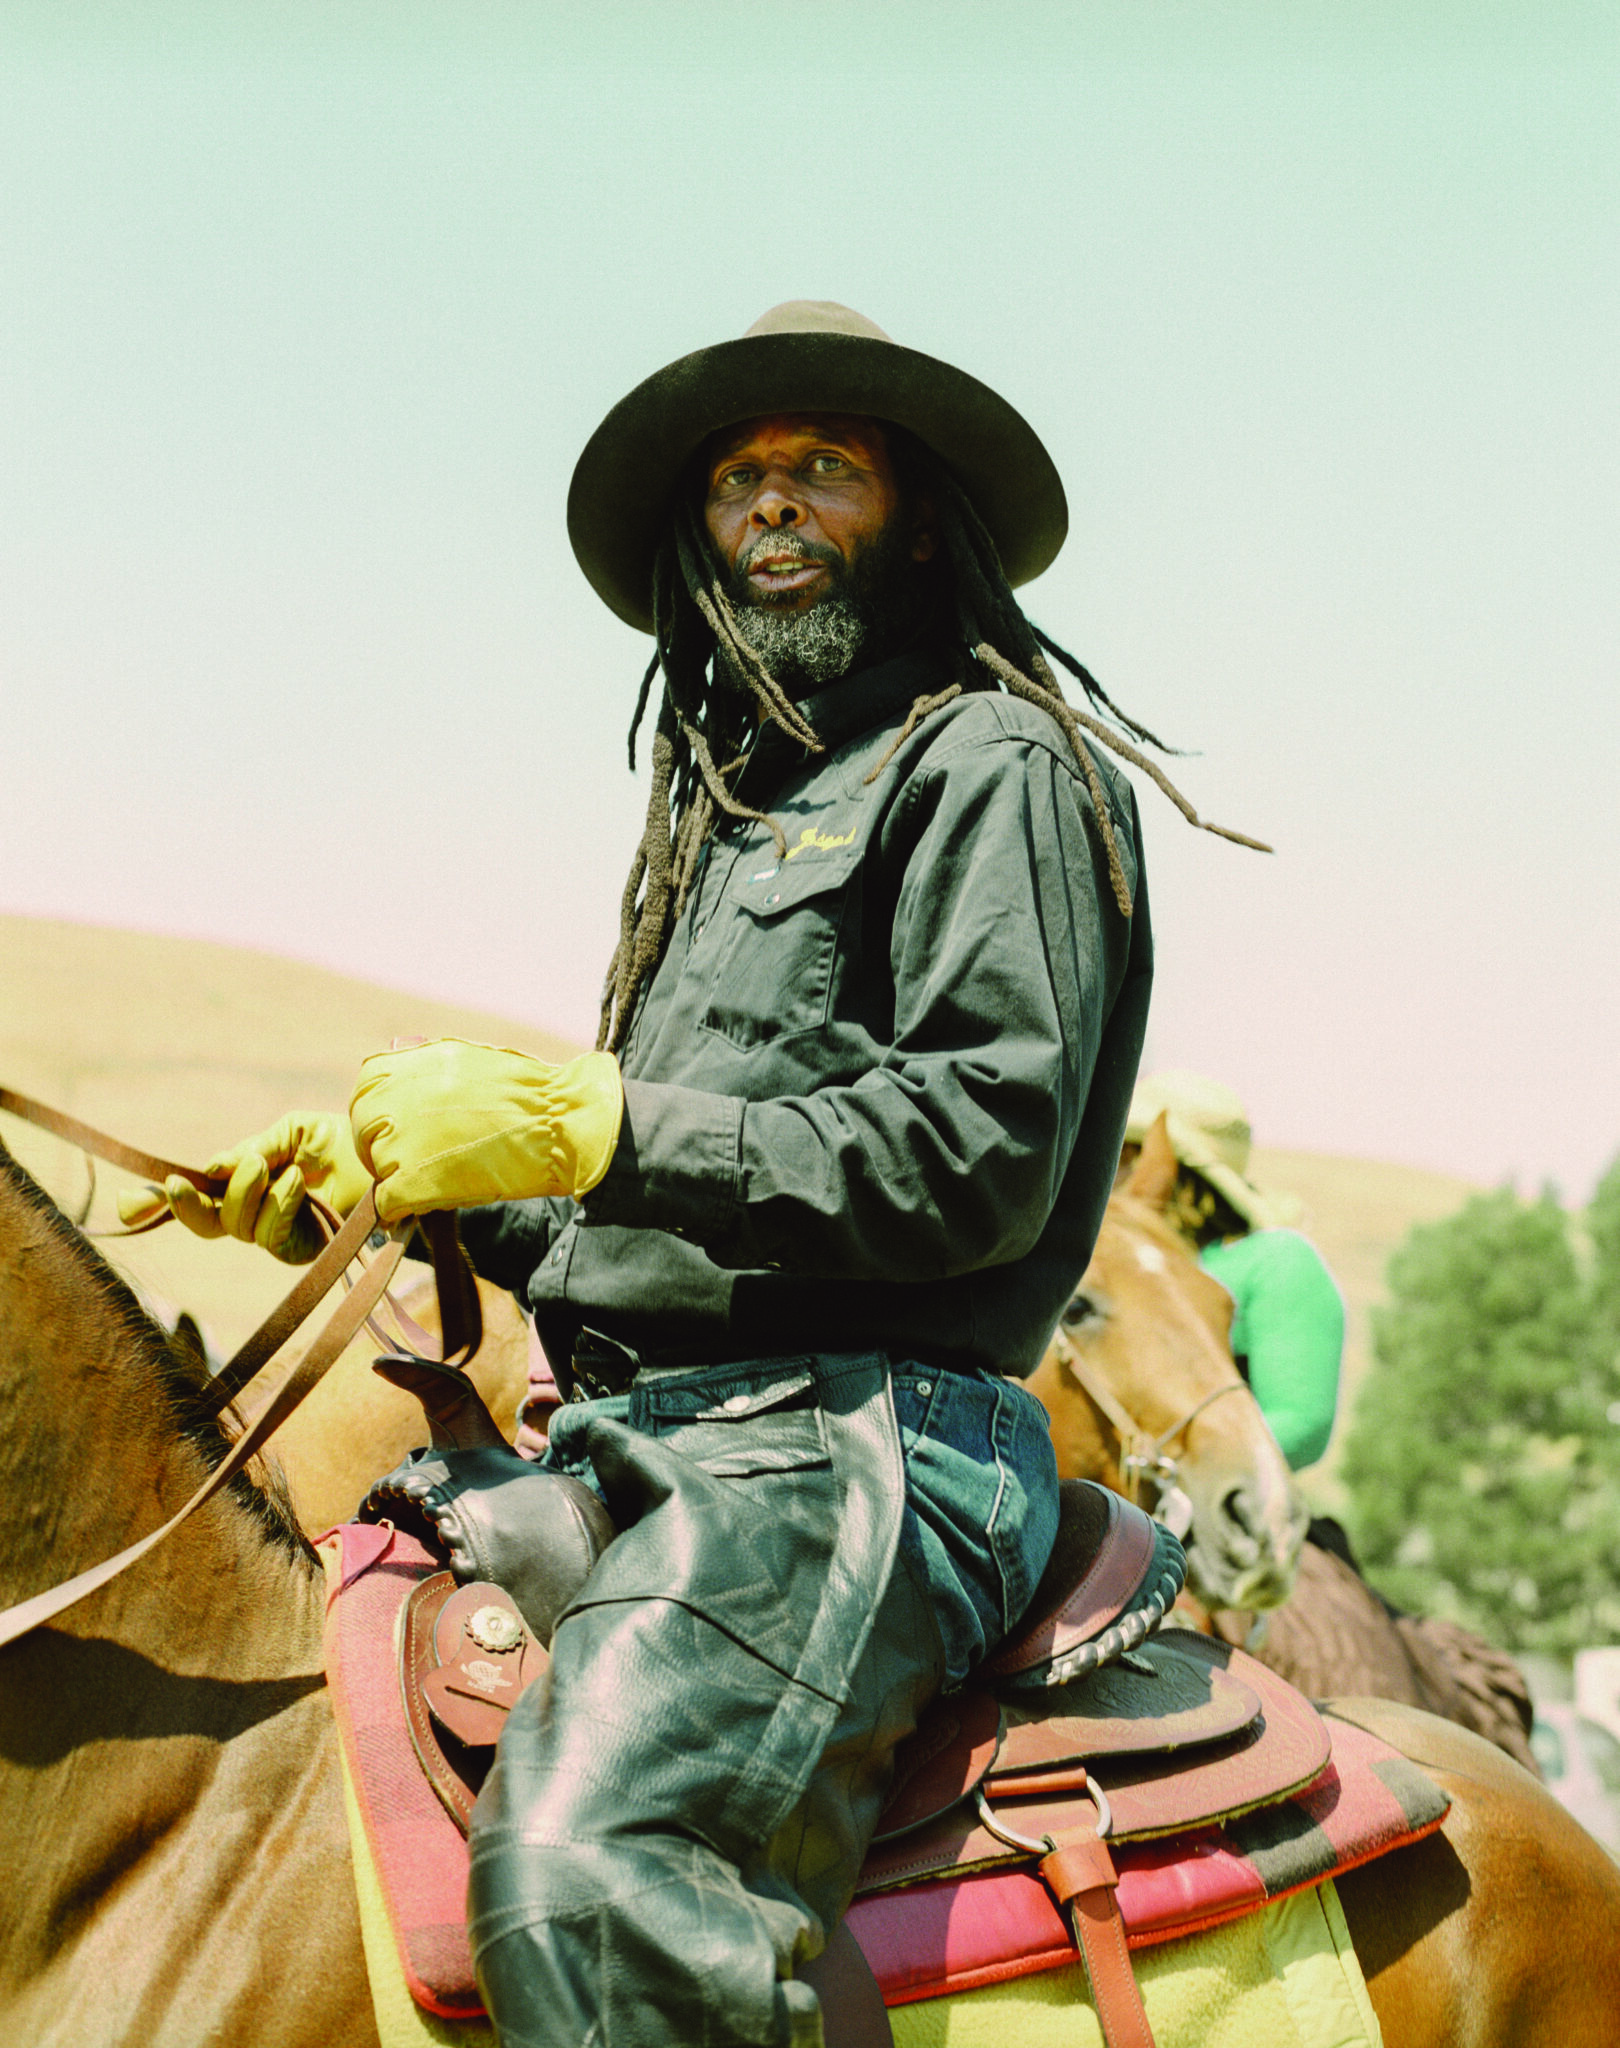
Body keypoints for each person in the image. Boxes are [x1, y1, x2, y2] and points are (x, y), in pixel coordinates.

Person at [128, 302, 1253, 2046]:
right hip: (651, 1433)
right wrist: (397, 1191)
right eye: (741, 477)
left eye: (824, 465)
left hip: (871, 1446)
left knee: (595, 1871)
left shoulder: (995, 764)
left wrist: (603, 1119)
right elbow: (658, 1226)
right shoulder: (727, 823)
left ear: (923, 515)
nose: (774, 503)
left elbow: (983, 1155)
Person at [1121, 1070, 1344, 1471]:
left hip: (1215, 1509)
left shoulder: (1277, 1262)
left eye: (1123, 1154)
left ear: (1168, 1168)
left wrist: (1173, 1462)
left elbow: (1301, 1422)